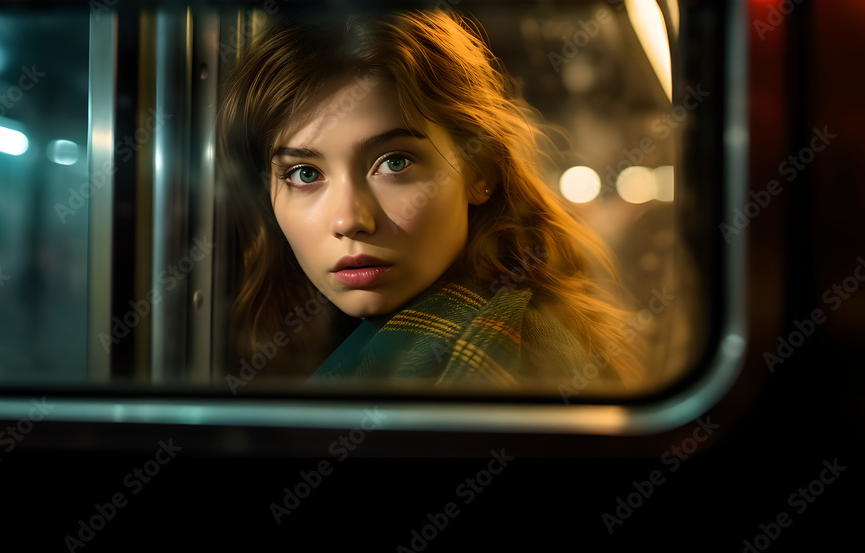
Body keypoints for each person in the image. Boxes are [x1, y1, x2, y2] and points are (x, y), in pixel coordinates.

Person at [217, 8, 642, 389]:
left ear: (481, 172)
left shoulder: (472, 365)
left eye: (394, 163)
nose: (349, 220)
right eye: (304, 174)